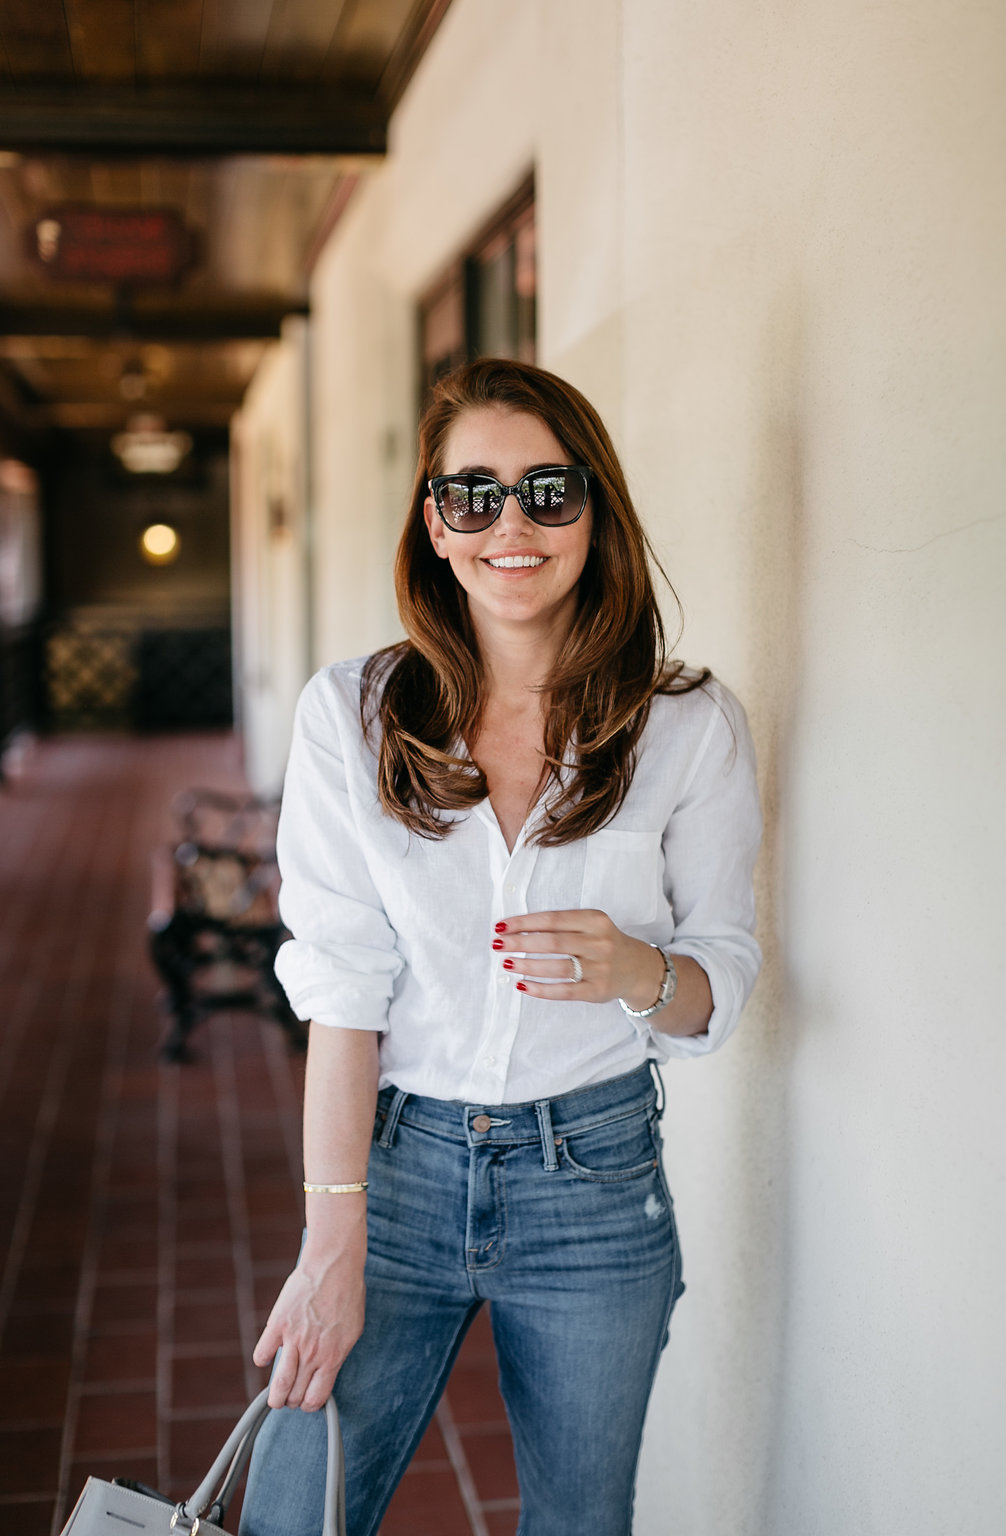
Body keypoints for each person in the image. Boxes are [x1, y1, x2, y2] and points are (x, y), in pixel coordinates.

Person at [239, 357, 762, 1536]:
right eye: (472, 494)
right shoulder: (353, 715)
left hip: (594, 1181)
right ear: (433, 521)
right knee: (287, 1514)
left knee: (580, 1523)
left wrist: (644, 973)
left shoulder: (684, 727)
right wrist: (332, 1244)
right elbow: (341, 995)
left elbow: (720, 975)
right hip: (398, 1170)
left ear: (596, 508)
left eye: (546, 489)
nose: (509, 523)